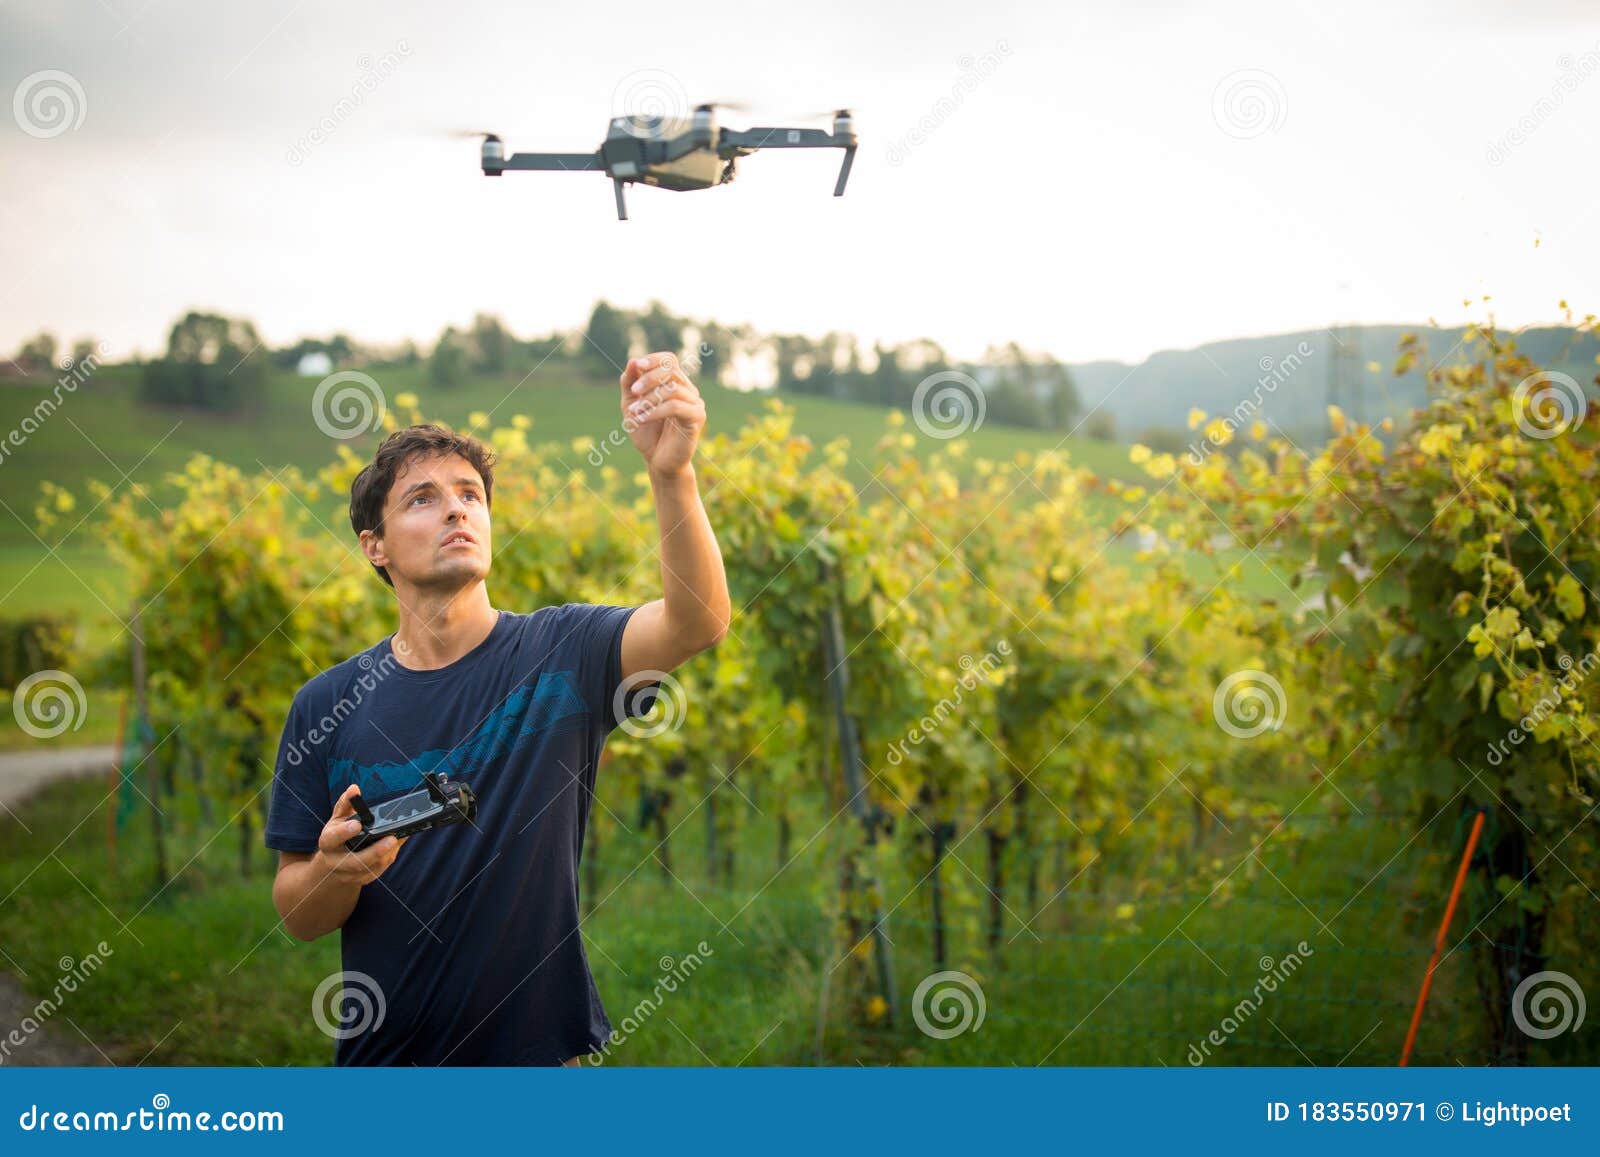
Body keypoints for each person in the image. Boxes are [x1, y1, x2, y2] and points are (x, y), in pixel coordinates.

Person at [264, 352, 730, 1065]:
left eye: (470, 494)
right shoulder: (327, 703)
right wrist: (337, 871)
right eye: (421, 498)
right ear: (375, 546)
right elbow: (298, 914)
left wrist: (672, 474)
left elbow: (697, 621)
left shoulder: (563, 651)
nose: (455, 506)